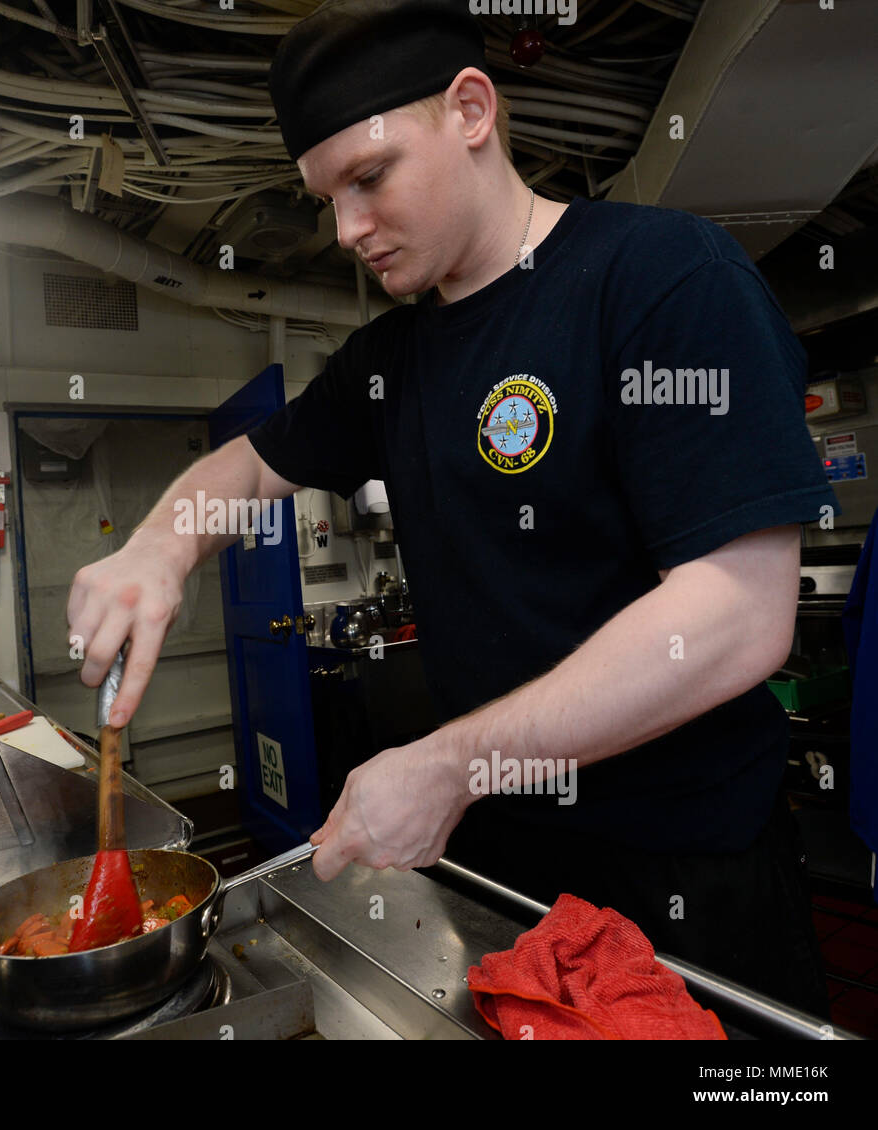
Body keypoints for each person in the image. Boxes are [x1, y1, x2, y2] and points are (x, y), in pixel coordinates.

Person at [66, 0, 836, 1017]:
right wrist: (157, 549)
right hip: (493, 870)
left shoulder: (661, 277)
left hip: (678, 884)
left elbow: (735, 611)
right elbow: (247, 471)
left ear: (470, 108)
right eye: (324, 197)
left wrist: (449, 762)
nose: (344, 229)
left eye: (369, 178)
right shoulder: (390, 361)